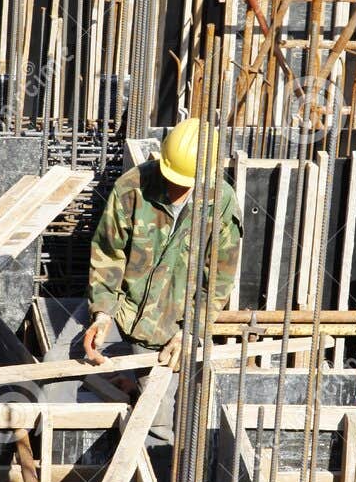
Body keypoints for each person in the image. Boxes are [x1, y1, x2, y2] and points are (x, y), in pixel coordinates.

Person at [83, 116, 242, 370]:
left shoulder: (221, 203)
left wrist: (191, 330)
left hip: (171, 331)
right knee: (66, 373)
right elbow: (108, 252)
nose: (176, 185)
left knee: (160, 395)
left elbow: (218, 278)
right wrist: (102, 312)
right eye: (171, 177)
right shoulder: (132, 188)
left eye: (185, 181)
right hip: (121, 313)